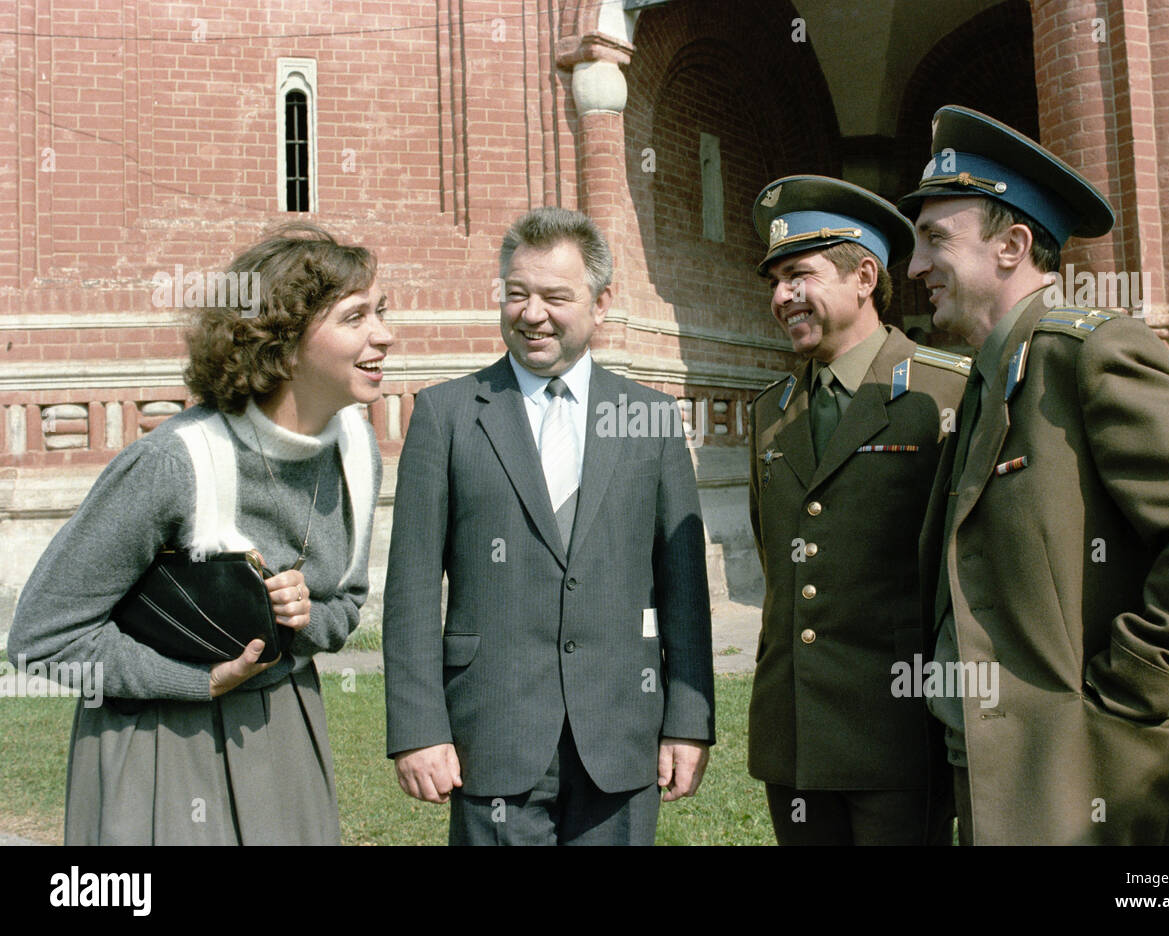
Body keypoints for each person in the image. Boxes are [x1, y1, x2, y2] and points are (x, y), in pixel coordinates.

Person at [899, 105, 1169, 844]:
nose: (915, 266)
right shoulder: (987, 379)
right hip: (993, 782)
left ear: (1012, 245)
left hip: (1085, 787)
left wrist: (1122, 699)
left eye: (933, 240)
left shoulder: (1086, 356)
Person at [8, 224, 389, 844]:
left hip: (284, 730)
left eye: (381, 312)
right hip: (160, 744)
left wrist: (294, 619)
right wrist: (198, 681)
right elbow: (41, 639)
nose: (384, 335)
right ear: (285, 345)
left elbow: (345, 605)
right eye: (355, 317)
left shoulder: (356, 450)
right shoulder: (173, 463)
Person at [383, 206, 714, 846]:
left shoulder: (649, 417)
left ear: (601, 302)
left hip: (621, 740)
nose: (532, 313)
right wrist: (420, 727)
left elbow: (684, 587)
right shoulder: (446, 415)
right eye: (517, 294)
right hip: (493, 738)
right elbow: (412, 589)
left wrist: (688, 721)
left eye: (555, 297)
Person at [746, 175, 969, 845]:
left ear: (865, 276)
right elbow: (778, 564)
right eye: (776, 280)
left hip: (899, 738)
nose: (783, 296)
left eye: (800, 275)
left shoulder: (945, 391)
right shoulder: (770, 412)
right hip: (794, 740)